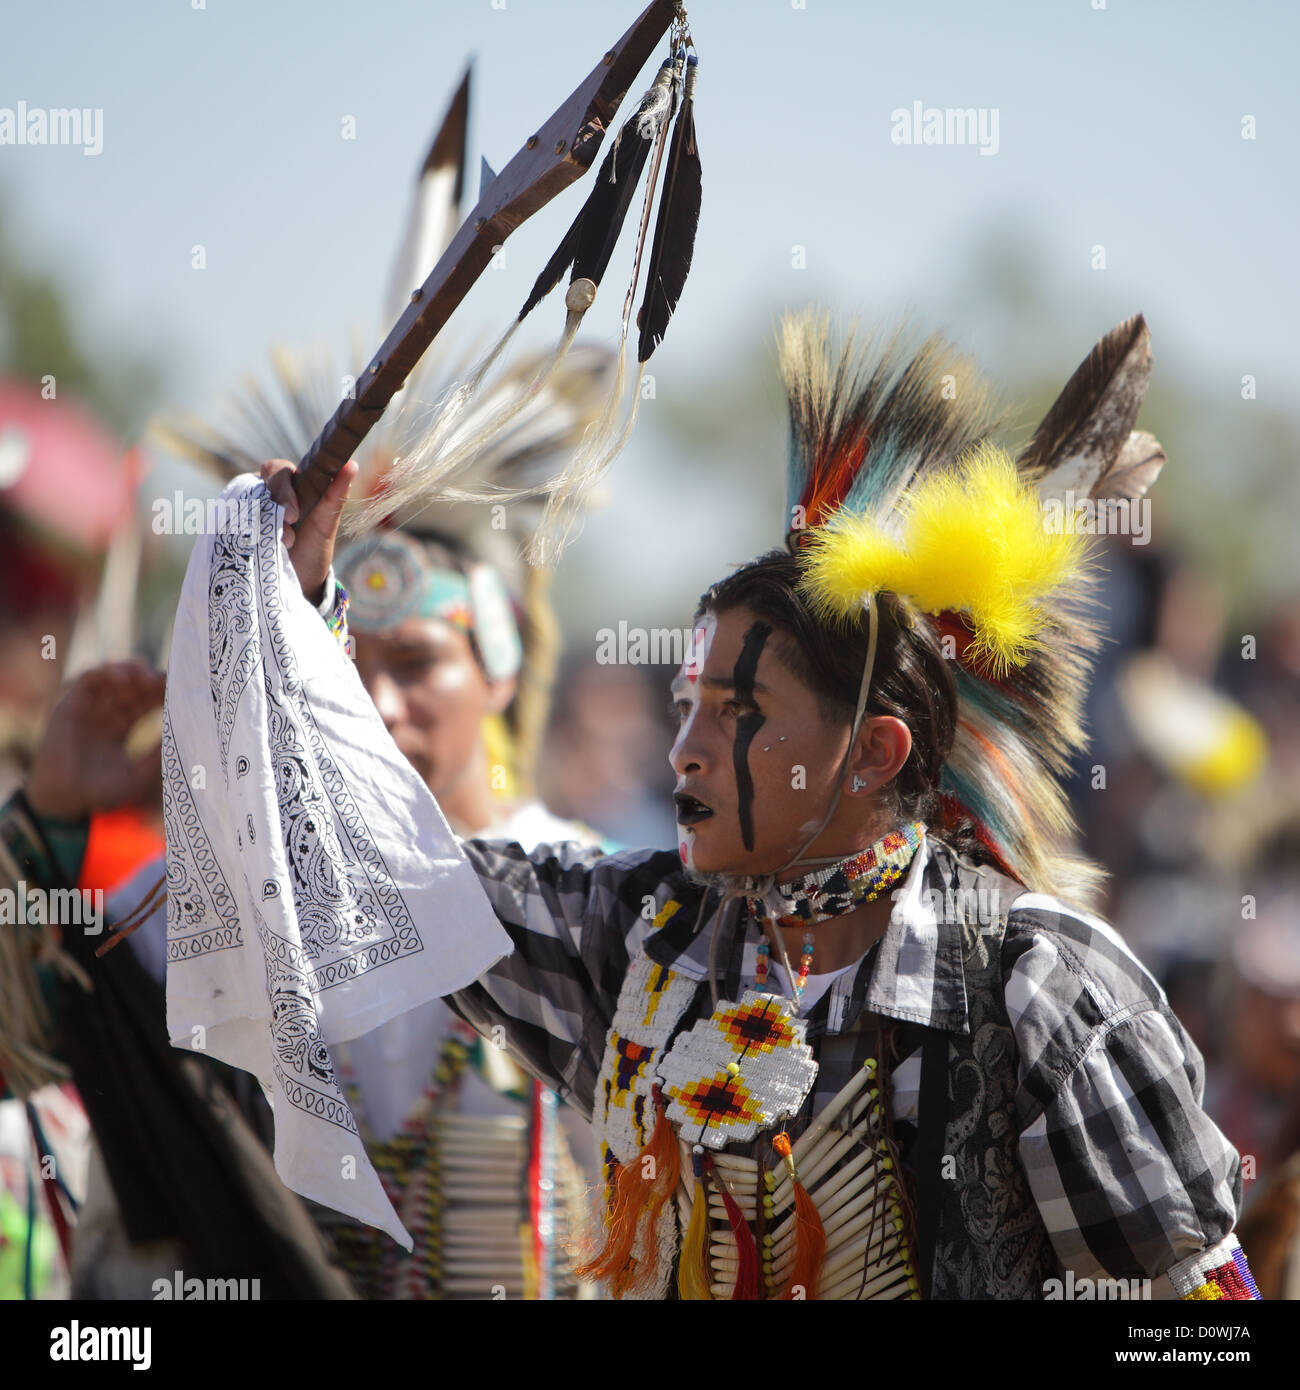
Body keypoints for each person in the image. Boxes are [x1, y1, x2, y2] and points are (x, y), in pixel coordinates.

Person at [234, 308, 1259, 1300]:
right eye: (686, 707)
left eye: (738, 713)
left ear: (871, 753)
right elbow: (371, 861)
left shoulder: (1038, 993)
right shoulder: (640, 939)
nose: (684, 751)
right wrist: (296, 609)